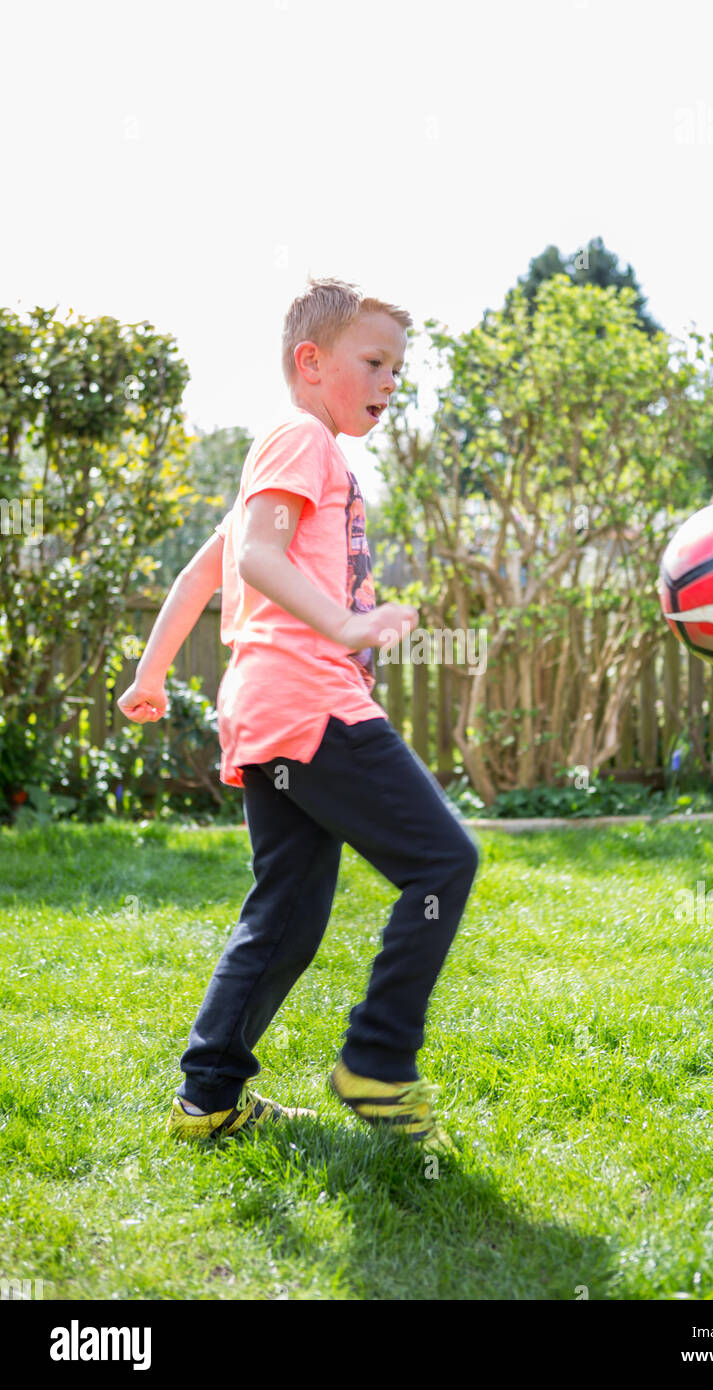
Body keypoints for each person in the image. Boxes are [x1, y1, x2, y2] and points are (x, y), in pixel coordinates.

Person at [117, 276, 480, 1154]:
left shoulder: (289, 460)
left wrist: (151, 673)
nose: (391, 381)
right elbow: (257, 557)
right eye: (375, 362)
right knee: (442, 860)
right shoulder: (300, 439)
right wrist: (347, 626)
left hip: (267, 713)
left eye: (398, 368)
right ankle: (378, 1063)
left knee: (286, 912)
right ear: (311, 362)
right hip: (307, 702)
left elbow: (205, 572)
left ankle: (208, 1099)